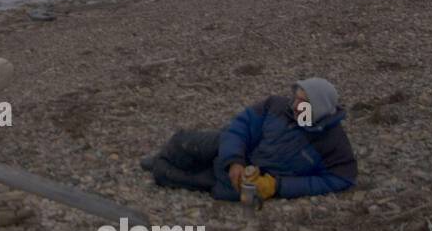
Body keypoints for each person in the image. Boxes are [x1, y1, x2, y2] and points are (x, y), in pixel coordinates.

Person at [140, 78, 357, 201]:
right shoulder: (276, 106)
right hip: (233, 150)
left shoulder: (333, 144)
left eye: (303, 101)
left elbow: (341, 179)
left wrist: (277, 186)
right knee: (182, 141)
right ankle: (163, 157)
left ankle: (160, 166)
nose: (295, 105)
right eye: (296, 98)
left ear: (318, 106)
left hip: (253, 179)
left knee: (168, 176)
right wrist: (235, 159)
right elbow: (241, 126)